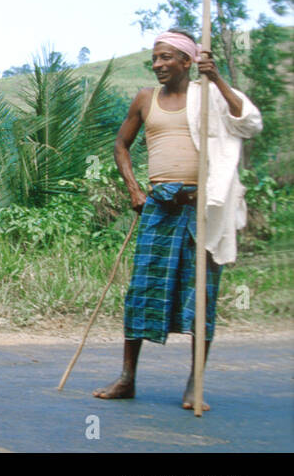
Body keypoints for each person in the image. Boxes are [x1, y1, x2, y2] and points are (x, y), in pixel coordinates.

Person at [93, 29, 262, 410]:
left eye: (166, 57)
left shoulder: (210, 96)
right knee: (142, 291)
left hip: (203, 209)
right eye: (155, 58)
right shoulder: (145, 99)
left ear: (188, 61)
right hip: (159, 207)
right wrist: (134, 190)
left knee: (201, 295)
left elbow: (249, 123)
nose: (158, 64)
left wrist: (216, 78)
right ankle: (127, 379)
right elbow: (121, 145)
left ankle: (194, 385)